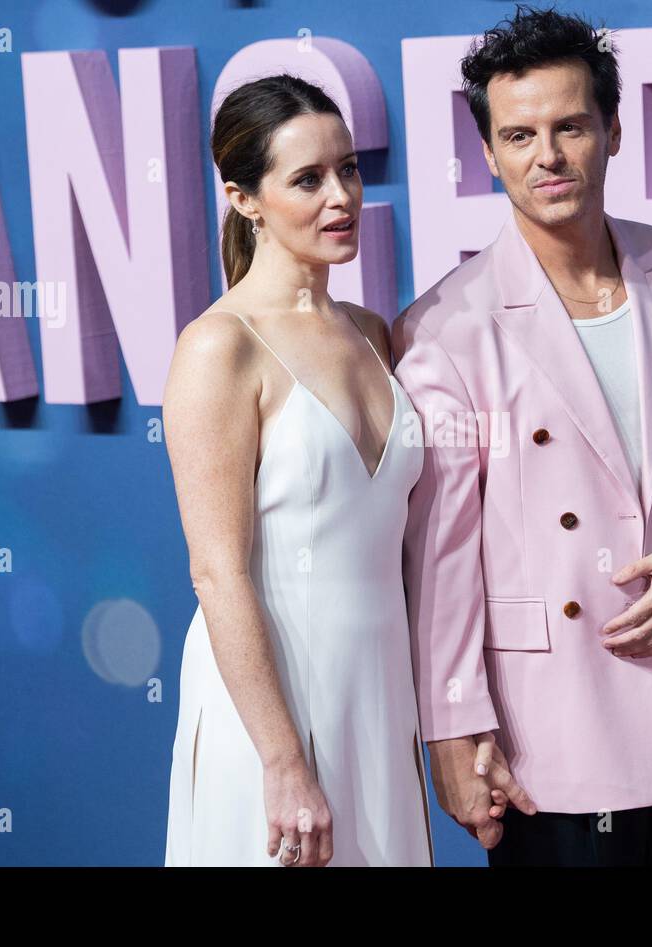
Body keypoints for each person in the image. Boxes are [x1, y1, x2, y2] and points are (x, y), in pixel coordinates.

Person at [393, 6, 652, 866]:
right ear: (488, 153)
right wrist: (452, 730)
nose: (547, 157)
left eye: (570, 126)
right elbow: (443, 559)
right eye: (519, 135)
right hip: (550, 727)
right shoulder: (446, 329)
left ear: (613, 129)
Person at [162, 74, 433, 866]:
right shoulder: (220, 347)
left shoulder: (374, 332)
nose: (340, 195)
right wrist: (282, 764)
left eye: (348, 169)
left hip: (378, 699)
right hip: (270, 710)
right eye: (307, 179)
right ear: (244, 198)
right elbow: (216, 575)